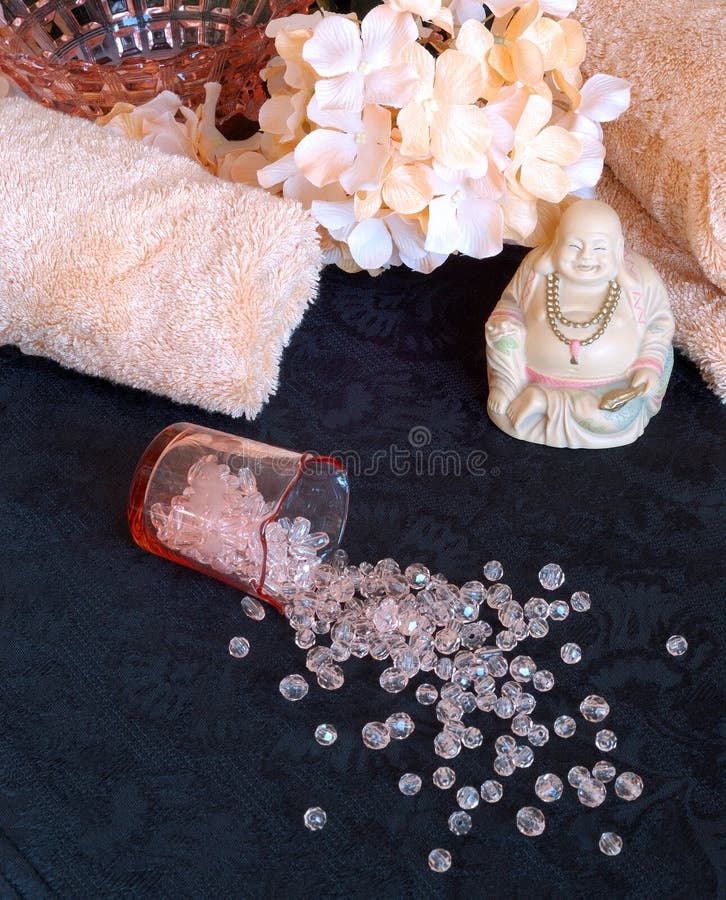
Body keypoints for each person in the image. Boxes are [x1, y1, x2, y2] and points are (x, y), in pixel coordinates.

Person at [485, 199, 675, 449]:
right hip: (534, 374)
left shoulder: (641, 276)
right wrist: (505, 326)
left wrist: (649, 364)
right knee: (501, 331)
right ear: (557, 241)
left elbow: (659, 323)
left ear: (618, 248)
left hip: (610, 388)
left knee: (618, 417)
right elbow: (510, 305)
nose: (585, 257)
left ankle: (543, 400)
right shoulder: (535, 268)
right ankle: (509, 388)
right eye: (574, 245)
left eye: (599, 248)